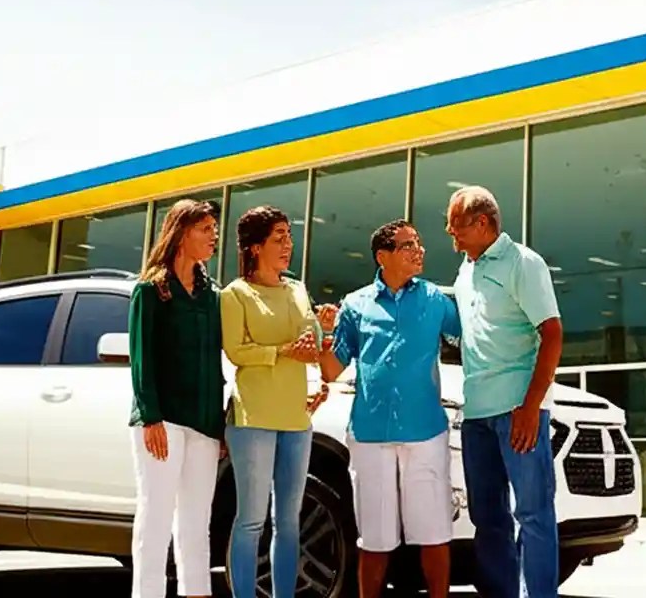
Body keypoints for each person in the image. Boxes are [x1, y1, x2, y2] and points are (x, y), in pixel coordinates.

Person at [318, 220, 460, 598]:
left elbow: (471, 334)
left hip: (426, 432)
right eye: (408, 245)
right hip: (370, 436)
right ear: (383, 256)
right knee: (375, 539)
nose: (419, 250)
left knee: (434, 534)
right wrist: (323, 332)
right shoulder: (355, 304)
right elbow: (331, 369)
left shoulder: (434, 299)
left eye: (419, 243)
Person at [445, 186, 564, 598]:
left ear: (482, 223)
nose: (450, 234)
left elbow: (551, 334)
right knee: (488, 518)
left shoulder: (523, 263)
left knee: (533, 514)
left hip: (518, 410)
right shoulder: (465, 271)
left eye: (455, 225)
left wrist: (531, 407)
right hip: (476, 413)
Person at [219, 205, 332, 598]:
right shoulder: (235, 295)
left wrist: (323, 329)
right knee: (250, 520)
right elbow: (236, 350)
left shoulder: (298, 289)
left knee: (289, 521)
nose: (288, 244)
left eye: (289, 235)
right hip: (253, 419)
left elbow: (313, 343)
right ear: (254, 247)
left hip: (297, 419)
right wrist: (285, 350)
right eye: (278, 237)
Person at [128, 198, 226, 598]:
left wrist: (219, 427)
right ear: (182, 233)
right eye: (205, 229)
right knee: (155, 517)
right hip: (162, 421)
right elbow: (141, 359)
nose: (213, 236)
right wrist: (150, 416)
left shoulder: (211, 296)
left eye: (214, 230)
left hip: (203, 423)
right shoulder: (150, 290)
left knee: (195, 522)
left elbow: (215, 364)